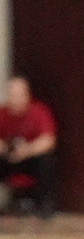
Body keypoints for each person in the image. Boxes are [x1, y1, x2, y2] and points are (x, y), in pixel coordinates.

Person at [0, 77, 56, 219]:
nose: (15, 99)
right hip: (7, 158)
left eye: (18, 95)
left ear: (27, 95)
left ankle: (45, 207)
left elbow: (48, 140)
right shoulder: (2, 113)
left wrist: (27, 150)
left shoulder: (38, 112)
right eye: (12, 95)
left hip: (30, 159)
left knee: (46, 161)